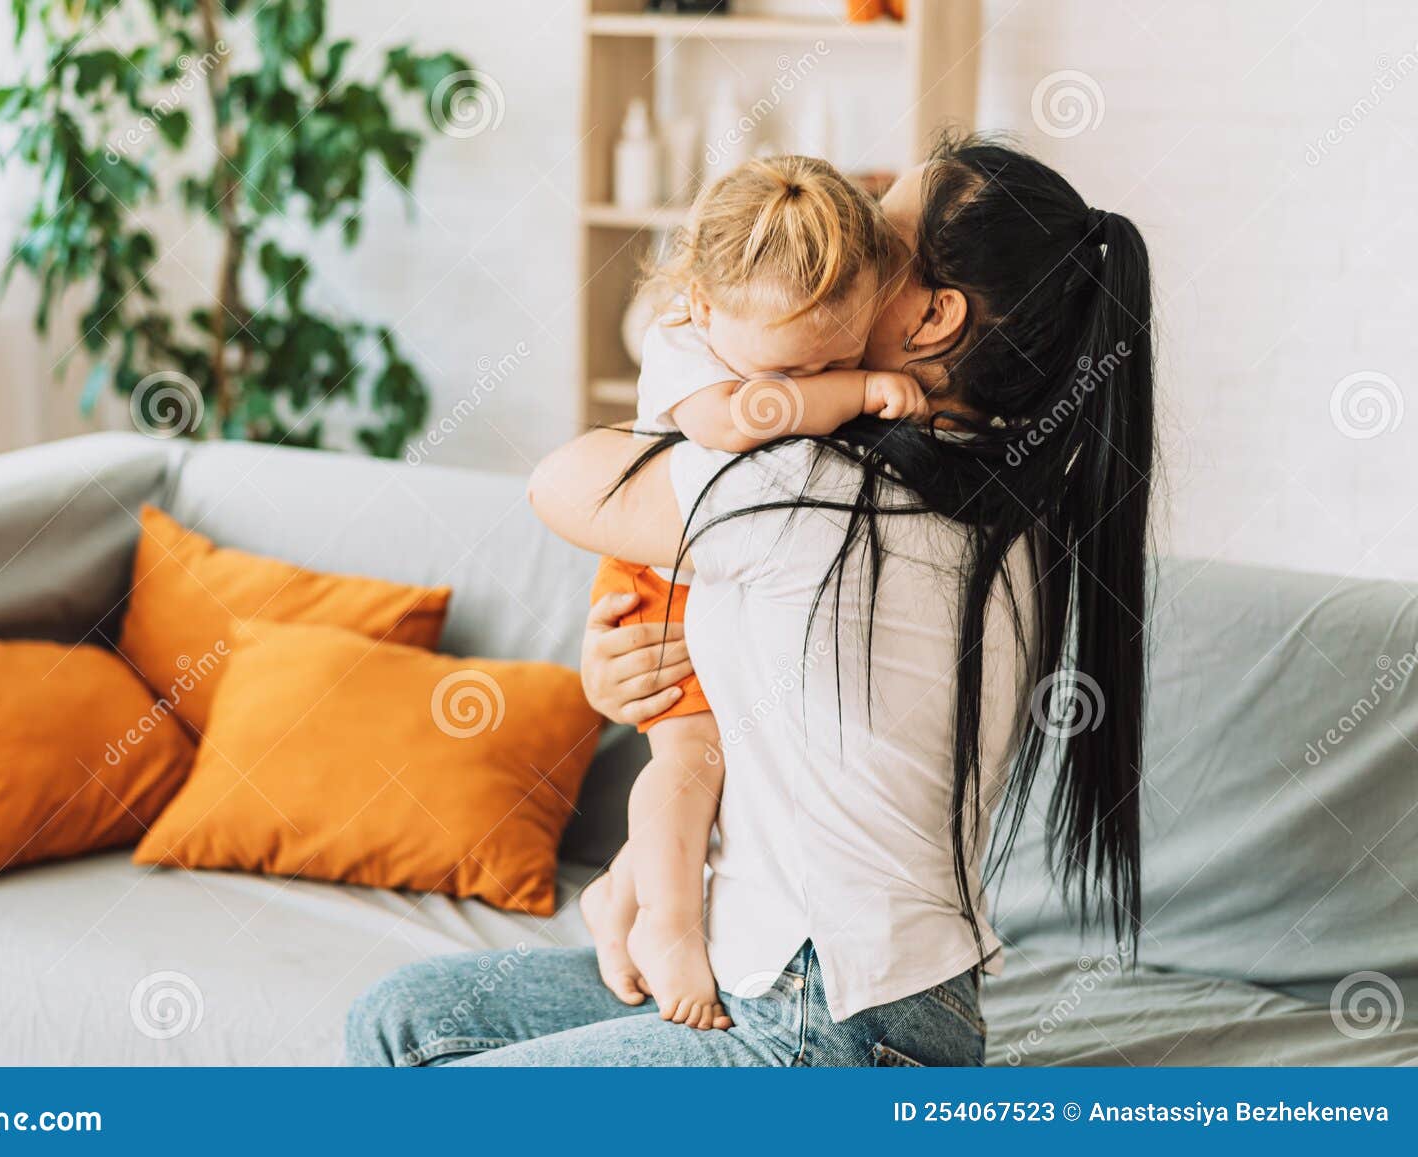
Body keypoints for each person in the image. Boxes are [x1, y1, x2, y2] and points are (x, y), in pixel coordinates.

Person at [344, 135, 1155, 1067]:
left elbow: (564, 484)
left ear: (933, 318)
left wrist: (715, 362)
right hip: (803, 977)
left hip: (831, 1014)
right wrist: (634, 676)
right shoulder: (1015, 514)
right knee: (398, 1017)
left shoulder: (818, 486)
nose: (839, 243)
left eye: (875, 239)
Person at [577, 155, 926, 1031]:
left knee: (733, 766)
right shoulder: (681, 343)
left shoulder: (753, 315)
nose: (809, 389)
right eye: (792, 375)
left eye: (834, 361)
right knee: (689, 759)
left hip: (714, 572)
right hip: (660, 574)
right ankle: (665, 921)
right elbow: (735, 421)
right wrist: (855, 387)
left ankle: (623, 886)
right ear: (699, 305)